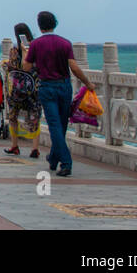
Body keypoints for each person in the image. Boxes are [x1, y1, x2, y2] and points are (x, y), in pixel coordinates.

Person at [25, 10, 95, 177]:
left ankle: (65, 162)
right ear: (54, 24)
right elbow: (74, 67)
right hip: (64, 86)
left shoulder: (36, 44)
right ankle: (54, 158)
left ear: (39, 26)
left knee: (55, 126)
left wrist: (31, 57)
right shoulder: (65, 43)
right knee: (61, 125)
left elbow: (26, 67)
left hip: (47, 87)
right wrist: (88, 83)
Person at [3, 22, 41, 158]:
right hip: (34, 88)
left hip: (17, 90)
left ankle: (15, 146)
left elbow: (18, 66)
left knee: (13, 116)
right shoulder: (37, 47)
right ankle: (35, 148)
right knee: (35, 117)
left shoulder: (16, 49)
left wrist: (8, 64)